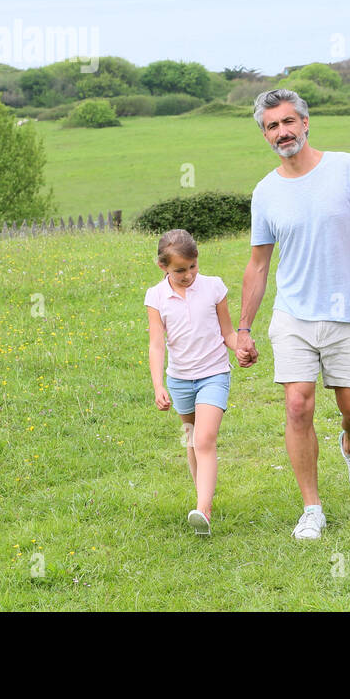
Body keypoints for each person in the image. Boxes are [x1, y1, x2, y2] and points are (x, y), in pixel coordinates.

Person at [236, 88, 350, 541]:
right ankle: (312, 508)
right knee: (297, 404)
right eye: (272, 126)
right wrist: (243, 328)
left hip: (347, 312)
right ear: (265, 135)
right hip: (293, 316)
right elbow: (258, 263)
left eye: (289, 122)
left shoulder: (347, 168)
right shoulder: (266, 192)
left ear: (305, 124)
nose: (282, 132)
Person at [145, 228, 241, 536]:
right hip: (180, 381)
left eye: (192, 267)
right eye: (179, 270)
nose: (188, 275)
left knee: (204, 439)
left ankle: (203, 511)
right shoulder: (156, 297)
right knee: (191, 438)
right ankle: (203, 497)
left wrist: (240, 346)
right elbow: (157, 344)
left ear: (197, 259)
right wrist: (159, 385)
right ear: (163, 267)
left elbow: (227, 332)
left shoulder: (214, 288)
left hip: (213, 373)